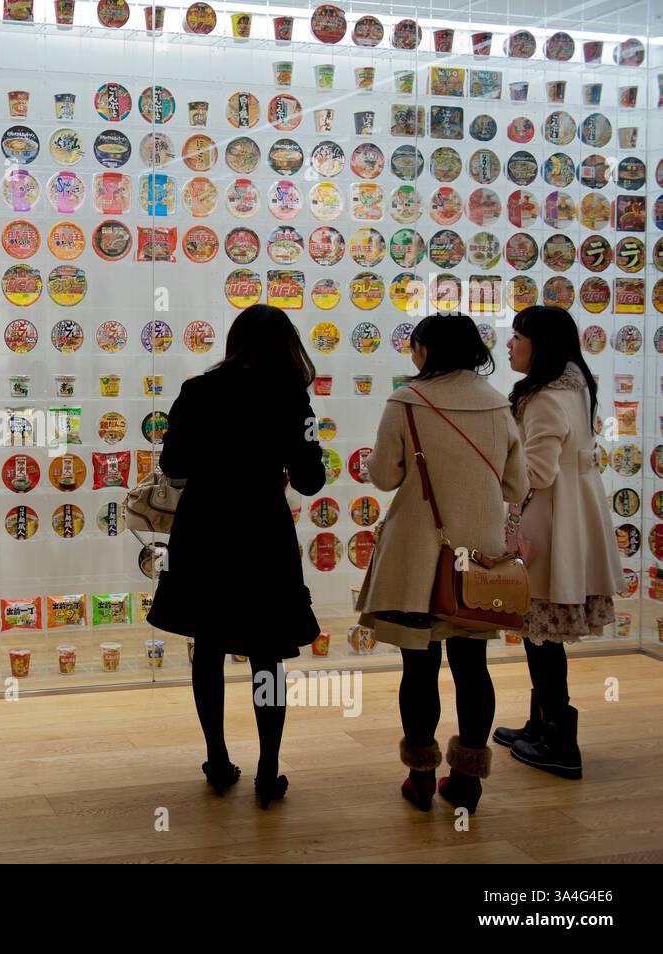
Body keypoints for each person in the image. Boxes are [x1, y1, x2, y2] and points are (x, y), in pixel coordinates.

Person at [147, 304, 326, 809]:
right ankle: (269, 769)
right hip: (262, 529)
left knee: (209, 644)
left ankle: (218, 759)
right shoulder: (293, 397)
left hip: (205, 528)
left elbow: (174, 466)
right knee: (267, 653)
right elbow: (311, 479)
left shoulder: (198, 390)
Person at [354, 313, 529, 813]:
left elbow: (385, 477)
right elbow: (516, 487)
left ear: (428, 351)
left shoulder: (407, 402)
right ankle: (469, 781)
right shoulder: (499, 405)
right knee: (473, 667)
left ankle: (421, 778)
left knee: (419, 666)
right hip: (477, 562)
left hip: (418, 559)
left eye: (416, 346)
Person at [494, 305, 622, 779]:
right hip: (572, 512)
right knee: (539, 632)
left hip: (550, 522)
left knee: (541, 633)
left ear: (539, 344)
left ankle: (560, 741)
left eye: (518, 337)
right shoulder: (577, 385)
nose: (510, 345)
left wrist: (497, 481)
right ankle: (541, 724)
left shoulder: (546, 396)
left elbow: (537, 473)